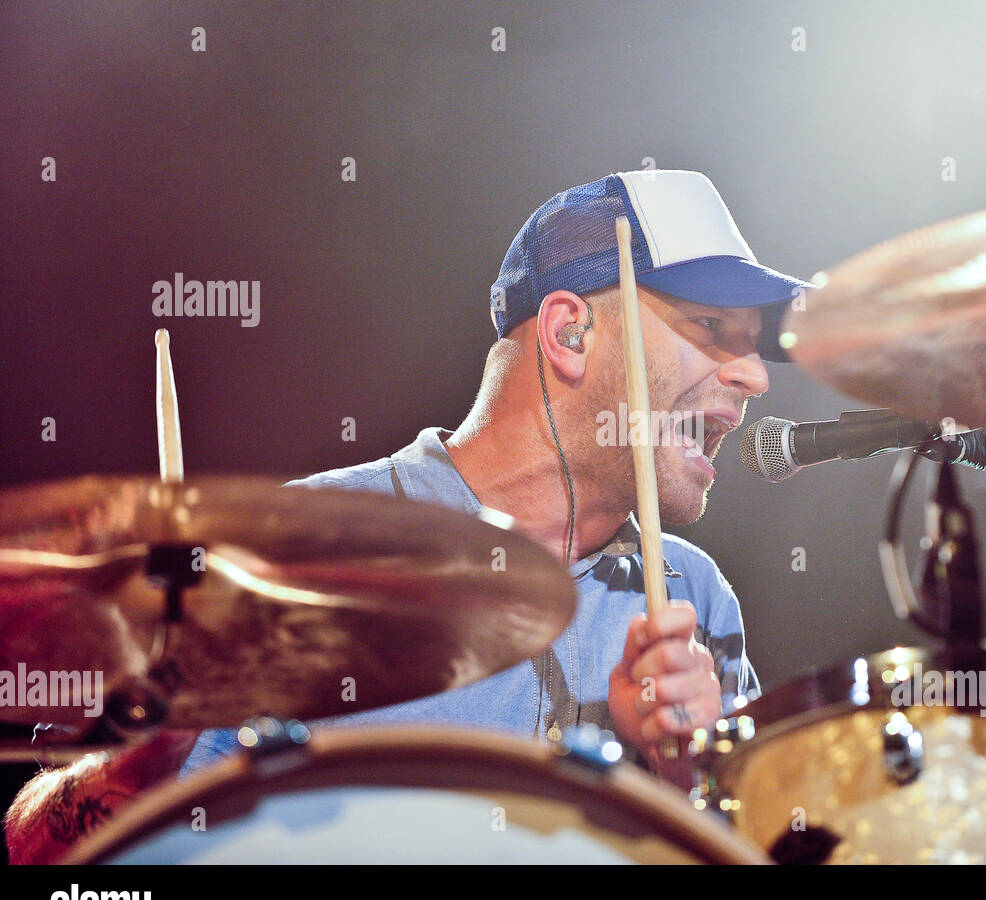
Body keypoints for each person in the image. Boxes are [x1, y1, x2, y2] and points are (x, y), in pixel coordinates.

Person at [4, 169, 807, 863]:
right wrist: (145, 756)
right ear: (570, 331)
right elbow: (42, 859)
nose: (755, 378)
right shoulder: (291, 552)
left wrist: (687, 772)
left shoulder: (691, 596)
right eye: (712, 330)